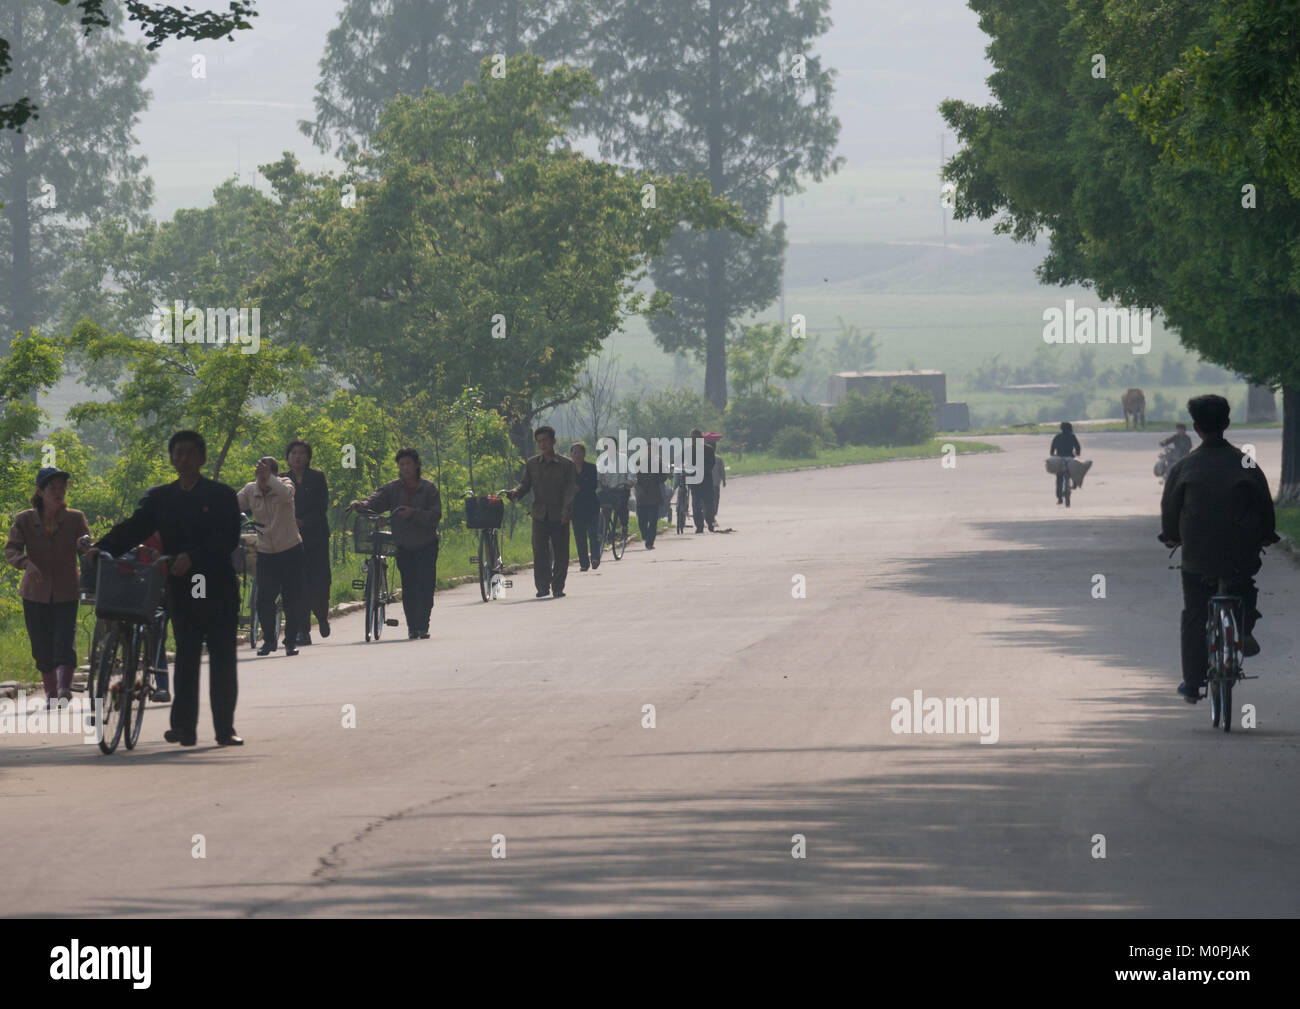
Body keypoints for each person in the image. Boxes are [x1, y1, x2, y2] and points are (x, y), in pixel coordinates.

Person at [91, 430, 243, 747]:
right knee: (186, 655)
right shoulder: (161, 498)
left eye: (189, 453)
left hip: (217, 586)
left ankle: (224, 729)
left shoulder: (222, 495)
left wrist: (193, 556)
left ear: (202, 458)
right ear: (172, 458)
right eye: (177, 453)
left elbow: (227, 540)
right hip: (181, 585)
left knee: (222, 658)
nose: (183, 458)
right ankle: (184, 728)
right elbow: (134, 528)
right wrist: (101, 548)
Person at [1158, 395, 1279, 704]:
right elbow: (1265, 507)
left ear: (1196, 428)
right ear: (1226, 424)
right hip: (1241, 555)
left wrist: (1172, 537)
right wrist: (1266, 535)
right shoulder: (1246, 463)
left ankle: (1192, 682)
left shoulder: (1183, 467)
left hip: (1197, 557)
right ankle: (1244, 627)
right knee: (1244, 586)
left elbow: (1170, 511)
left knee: (1195, 612)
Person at [5, 467, 92, 706]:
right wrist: (25, 563)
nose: (59, 492)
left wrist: (85, 546)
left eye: (62, 487)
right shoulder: (24, 520)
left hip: (66, 590)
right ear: (41, 491)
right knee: (41, 645)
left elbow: (87, 546)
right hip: (35, 591)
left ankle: (64, 689)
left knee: (65, 639)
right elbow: (11, 550)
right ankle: (51, 695)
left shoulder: (75, 518)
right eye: (53, 487)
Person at [351, 448, 441, 638]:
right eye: (401, 464)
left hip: (427, 544)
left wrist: (414, 514)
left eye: (408, 464)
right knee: (409, 586)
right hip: (404, 545)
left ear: (416, 465)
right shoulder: (392, 488)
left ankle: (423, 625)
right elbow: (376, 499)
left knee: (425, 586)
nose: (405, 468)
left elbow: (435, 515)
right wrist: (363, 505)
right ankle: (412, 627)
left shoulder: (429, 488)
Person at [237, 457, 304, 657]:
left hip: (291, 549)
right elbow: (233, 504)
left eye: (265, 474)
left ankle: (290, 641)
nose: (261, 479)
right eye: (258, 474)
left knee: (293, 599)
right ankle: (268, 641)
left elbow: (286, 495)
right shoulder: (250, 489)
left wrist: (270, 478)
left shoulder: (285, 484)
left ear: (274, 474)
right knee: (263, 600)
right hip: (266, 552)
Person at [504, 426, 576, 598]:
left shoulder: (567, 465)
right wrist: (515, 492)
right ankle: (542, 587)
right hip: (539, 514)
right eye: (540, 441)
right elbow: (525, 485)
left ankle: (558, 586)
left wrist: (567, 510)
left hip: (560, 514)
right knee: (539, 551)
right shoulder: (532, 464)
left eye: (545, 441)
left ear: (553, 441)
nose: (542, 444)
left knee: (561, 552)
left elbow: (570, 490)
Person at [286, 439, 331, 644]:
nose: (298, 456)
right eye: (294, 453)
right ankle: (303, 631)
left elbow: (322, 506)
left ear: (308, 457)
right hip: (293, 540)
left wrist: (304, 521)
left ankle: (322, 617)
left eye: (302, 453)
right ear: (288, 457)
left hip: (317, 538)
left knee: (320, 583)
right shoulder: (282, 480)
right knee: (299, 585)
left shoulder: (317, 477)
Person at [570, 443, 601, 571]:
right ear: (571, 454)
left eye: (579, 452)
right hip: (575, 508)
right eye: (574, 452)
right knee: (579, 536)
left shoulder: (591, 468)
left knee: (593, 534)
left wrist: (580, 487)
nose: (577, 455)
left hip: (591, 506)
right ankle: (584, 563)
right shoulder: (568, 469)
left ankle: (595, 558)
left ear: (584, 454)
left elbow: (594, 485)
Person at [687, 428, 717, 532]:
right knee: (696, 504)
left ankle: (710, 522)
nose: (694, 440)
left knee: (709, 504)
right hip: (694, 481)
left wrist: (702, 470)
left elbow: (711, 464)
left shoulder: (708, 449)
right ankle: (699, 526)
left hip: (706, 480)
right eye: (693, 438)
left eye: (696, 437)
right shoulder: (688, 450)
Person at [633, 465, 667, 550]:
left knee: (653, 521)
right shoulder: (638, 463)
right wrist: (638, 489)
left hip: (653, 497)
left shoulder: (657, 464)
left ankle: (650, 542)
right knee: (642, 521)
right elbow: (634, 478)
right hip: (641, 497)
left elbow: (662, 479)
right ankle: (645, 536)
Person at [1049, 421, 1081, 505]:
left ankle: (1059, 498)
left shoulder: (1057, 437)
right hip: (1070, 457)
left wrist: (1053, 455)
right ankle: (1074, 483)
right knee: (1074, 469)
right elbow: (1078, 447)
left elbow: (1052, 450)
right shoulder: (1072, 436)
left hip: (1060, 459)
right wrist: (1077, 453)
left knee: (1059, 479)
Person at [711, 448, 727, 519]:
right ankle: (713, 514)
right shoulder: (718, 459)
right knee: (716, 499)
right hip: (715, 483)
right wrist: (723, 480)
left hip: (706, 484)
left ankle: (708, 514)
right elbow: (722, 470)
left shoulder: (702, 458)